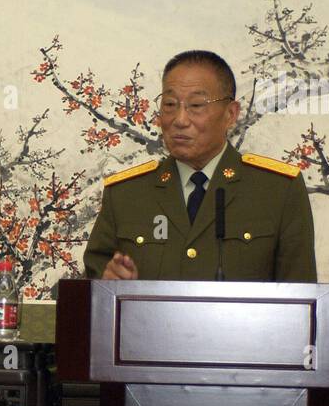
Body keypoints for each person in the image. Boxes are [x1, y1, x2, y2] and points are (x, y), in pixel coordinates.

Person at [82, 50, 316, 282]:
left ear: (231, 114)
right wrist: (108, 283)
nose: (180, 120)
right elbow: (90, 288)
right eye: (170, 104)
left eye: (196, 105)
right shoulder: (126, 194)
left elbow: (301, 298)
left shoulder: (277, 190)